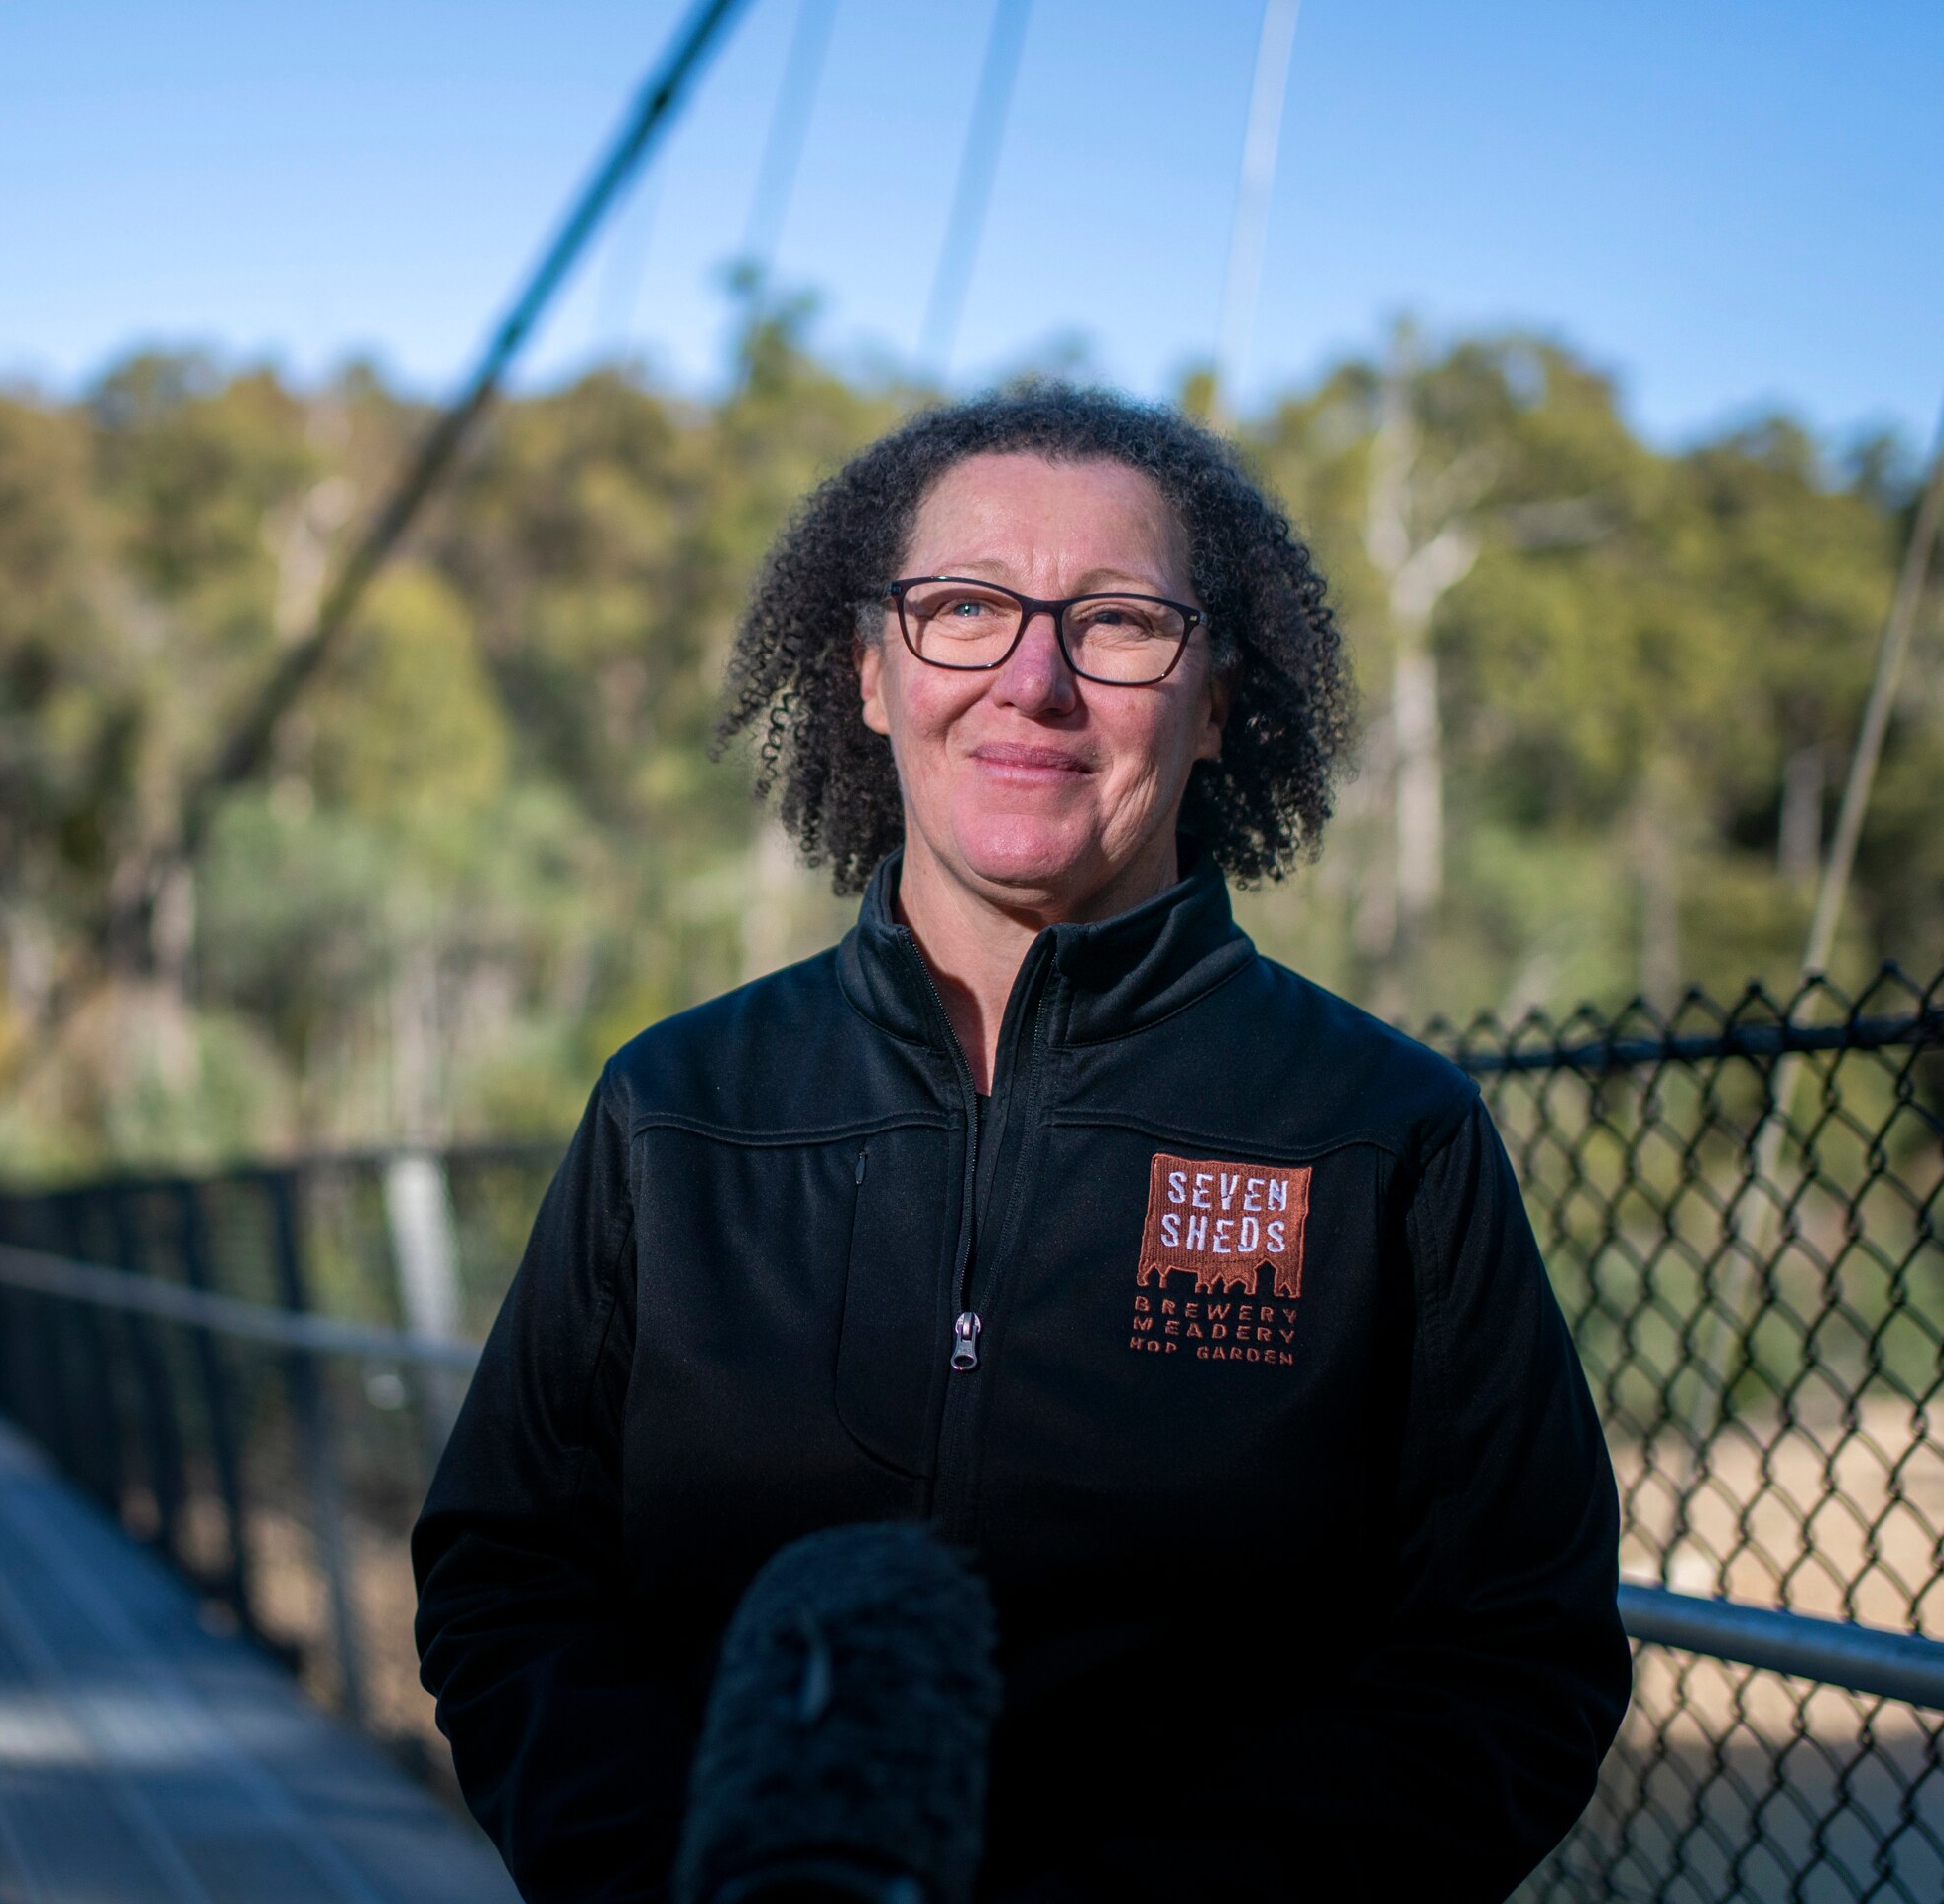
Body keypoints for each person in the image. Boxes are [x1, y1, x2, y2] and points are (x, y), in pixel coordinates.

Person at [411, 388, 1627, 1903]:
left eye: (1116, 622)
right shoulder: (674, 1111)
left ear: (1218, 695)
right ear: (866, 673)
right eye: (963, 609)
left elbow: (1512, 1654)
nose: (1033, 681)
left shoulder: (1381, 1138)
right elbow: (507, 1583)